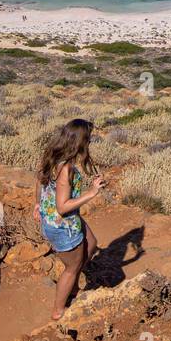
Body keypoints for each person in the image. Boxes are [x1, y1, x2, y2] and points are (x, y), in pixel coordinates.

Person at [37, 119, 104, 319]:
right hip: (62, 224)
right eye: (88, 139)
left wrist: (37, 204)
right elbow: (63, 206)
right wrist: (91, 193)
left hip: (59, 219)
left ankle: (72, 286)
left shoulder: (52, 155)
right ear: (80, 142)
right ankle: (59, 310)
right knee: (72, 267)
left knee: (91, 243)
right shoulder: (65, 168)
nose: (90, 143)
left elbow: (39, 179)